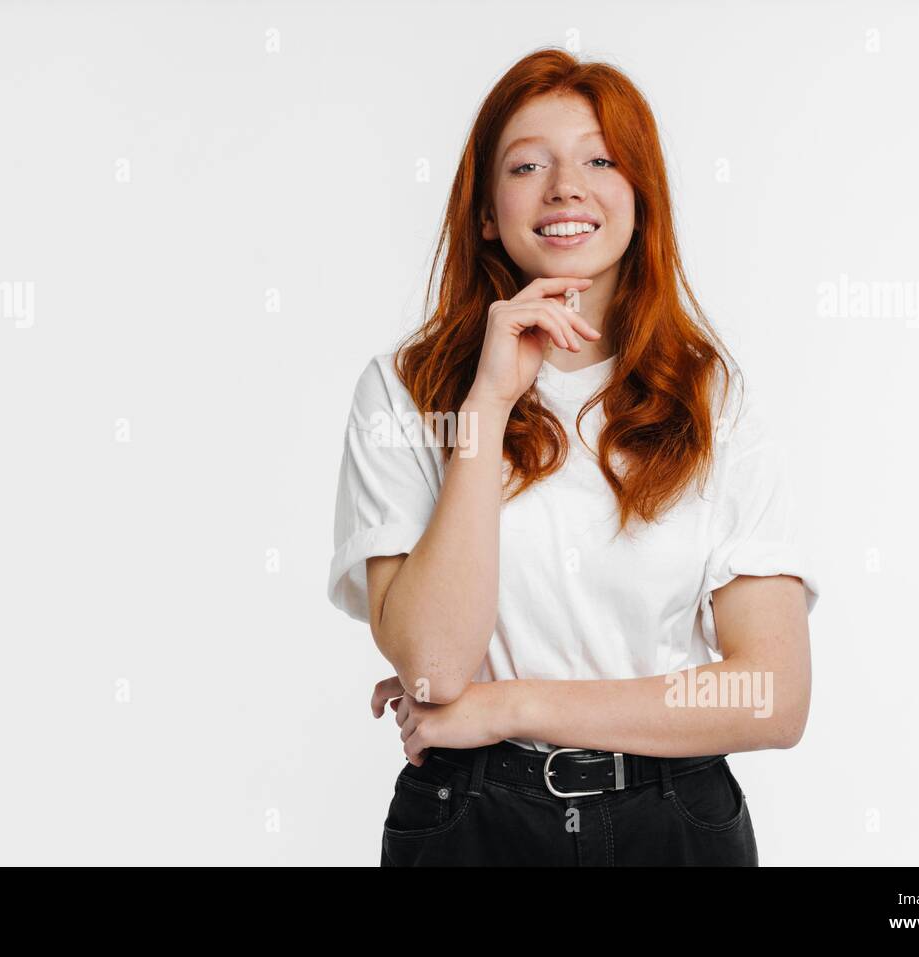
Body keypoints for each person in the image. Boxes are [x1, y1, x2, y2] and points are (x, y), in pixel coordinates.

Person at [326, 47, 820, 866]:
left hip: (675, 819)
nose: (566, 186)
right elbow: (435, 667)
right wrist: (486, 404)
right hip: (470, 819)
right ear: (487, 209)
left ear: (639, 197)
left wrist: (504, 706)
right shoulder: (402, 391)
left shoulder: (711, 395)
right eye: (527, 165)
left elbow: (770, 694)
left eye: (600, 158)